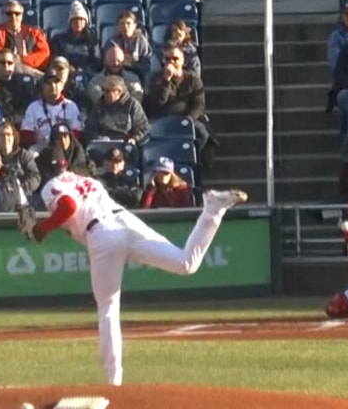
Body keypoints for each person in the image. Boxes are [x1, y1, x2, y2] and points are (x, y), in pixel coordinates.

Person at [20, 147, 247, 385]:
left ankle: (114, 379)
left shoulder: (49, 187)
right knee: (186, 263)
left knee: (108, 308)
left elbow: (68, 207)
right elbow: (73, 217)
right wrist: (49, 227)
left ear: (43, 169)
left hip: (102, 234)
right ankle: (213, 209)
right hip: (125, 221)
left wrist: (43, 229)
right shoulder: (84, 179)